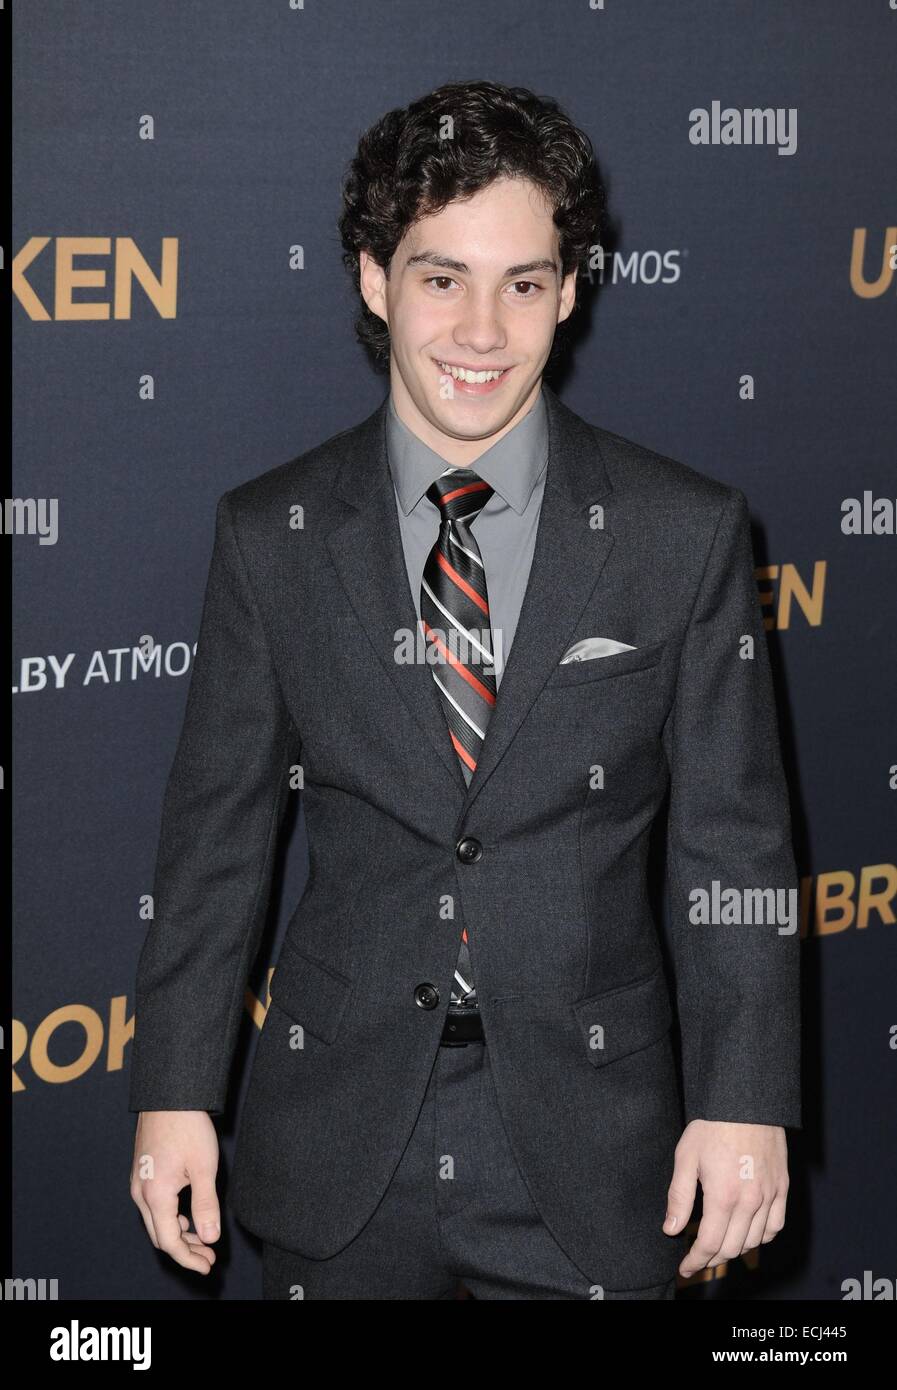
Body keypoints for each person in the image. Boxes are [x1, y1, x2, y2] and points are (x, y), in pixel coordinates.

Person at [128, 79, 800, 1300]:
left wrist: (745, 1100)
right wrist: (175, 1087)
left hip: (599, 1146)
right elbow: (216, 839)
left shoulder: (682, 532)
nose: (484, 331)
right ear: (374, 282)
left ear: (570, 290)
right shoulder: (269, 535)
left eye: (525, 283)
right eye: (443, 278)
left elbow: (735, 848)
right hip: (340, 1139)